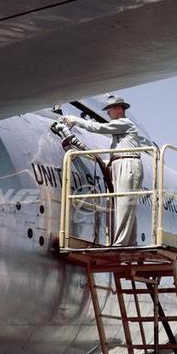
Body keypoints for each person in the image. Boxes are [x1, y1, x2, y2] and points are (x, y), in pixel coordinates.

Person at [60, 94, 149, 246]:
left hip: (128, 164)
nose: (107, 113)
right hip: (120, 163)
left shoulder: (125, 123)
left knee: (124, 204)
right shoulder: (120, 130)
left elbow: (99, 128)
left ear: (119, 109)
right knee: (124, 204)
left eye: (110, 109)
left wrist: (76, 120)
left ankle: (121, 243)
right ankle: (130, 242)